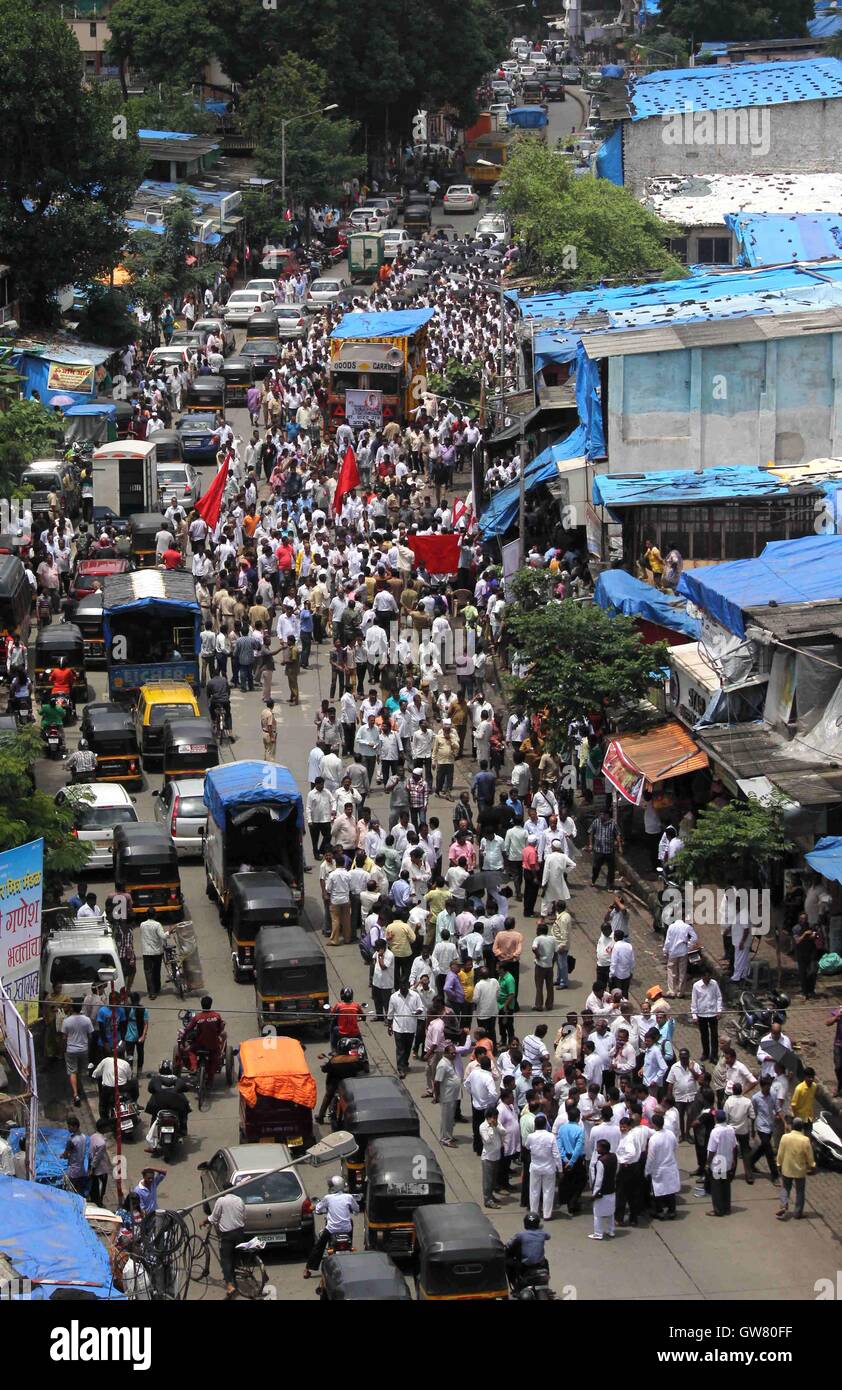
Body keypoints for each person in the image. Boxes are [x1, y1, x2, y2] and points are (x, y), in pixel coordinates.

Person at [304, 1176, 360, 1277]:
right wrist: (354, 1211)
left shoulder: (328, 1198)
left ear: (333, 1187)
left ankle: (308, 1268)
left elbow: (318, 1209)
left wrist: (315, 1209)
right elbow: (356, 1209)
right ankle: (349, 1245)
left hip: (332, 1230)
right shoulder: (348, 1197)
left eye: (330, 1185)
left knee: (319, 1246)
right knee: (350, 1222)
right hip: (346, 1229)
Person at [204, 1180, 247, 1298]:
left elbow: (214, 1217)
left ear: (224, 1191)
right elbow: (244, 1216)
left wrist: (204, 1221)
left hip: (228, 1235)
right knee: (234, 1256)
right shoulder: (239, 1200)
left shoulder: (221, 1200)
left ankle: (230, 1286)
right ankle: (233, 1277)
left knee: (225, 1260)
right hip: (240, 1232)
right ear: (232, 1189)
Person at [776, 1118, 816, 1220]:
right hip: (800, 1170)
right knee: (800, 1191)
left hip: (787, 1168)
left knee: (785, 1188)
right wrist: (812, 1165)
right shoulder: (805, 1140)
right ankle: (798, 1213)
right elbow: (810, 1156)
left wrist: (779, 1164)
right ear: (801, 1128)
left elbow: (780, 1153)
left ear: (792, 1126)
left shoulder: (785, 1137)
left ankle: (784, 1205)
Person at [386, 981, 424, 1078]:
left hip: (411, 1027)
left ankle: (405, 1064)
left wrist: (418, 1012)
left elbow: (421, 1007)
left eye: (405, 985)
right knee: (400, 1049)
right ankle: (400, 1069)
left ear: (408, 986)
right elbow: (390, 1012)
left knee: (407, 1048)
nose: (403, 987)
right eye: (401, 985)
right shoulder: (394, 997)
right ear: (399, 986)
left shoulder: (415, 995)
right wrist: (389, 1026)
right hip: (398, 1027)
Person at [505, 1212, 550, 1286]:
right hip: (541, 1265)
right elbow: (548, 1237)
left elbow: (509, 1245)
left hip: (526, 1265)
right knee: (545, 1261)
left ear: (525, 1224)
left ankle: (516, 1286)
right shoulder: (542, 1233)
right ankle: (546, 1281)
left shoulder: (520, 1235)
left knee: (509, 1264)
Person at [62, 1003, 94, 1106]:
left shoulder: (66, 1021)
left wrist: (64, 1049)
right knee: (81, 1070)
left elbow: (64, 1037)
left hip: (71, 1049)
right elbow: (90, 1035)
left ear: (71, 1008)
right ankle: (80, 1087)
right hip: (83, 1049)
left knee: (72, 1071)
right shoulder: (87, 1020)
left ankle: (75, 1094)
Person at [706, 1110, 737, 1216]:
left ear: (716, 1119)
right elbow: (734, 1146)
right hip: (727, 1160)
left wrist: (708, 1162)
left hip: (718, 1161)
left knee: (716, 1188)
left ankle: (718, 1210)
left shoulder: (715, 1132)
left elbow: (711, 1150)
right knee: (725, 1186)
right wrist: (733, 1159)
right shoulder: (731, 1130)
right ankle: (726, 1208)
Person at [691, 969, 723, 1061]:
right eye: (706, 978)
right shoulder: (696, 986)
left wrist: (719, 1010)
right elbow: (694, 1001)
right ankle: (705, 1053)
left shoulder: (714, 984)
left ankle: (714, 1055)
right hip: (702, 1014)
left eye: (709, 978)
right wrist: (694, 1015)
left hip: (713, 1013)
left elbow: (719, 997)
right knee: (704, 1035)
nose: (707, 980)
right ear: (702, 977)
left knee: (714, 1035)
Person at [589, 1137, 618, 1240]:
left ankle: (598, 1233)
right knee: (611, 1212)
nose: (597, 1149)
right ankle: (611, 1230)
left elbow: (599, 1179)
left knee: (597, 1213)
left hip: (603, 1192)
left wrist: (595, 1193)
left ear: (603, 1149)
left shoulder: (601, 1161)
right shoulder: (614, 1157)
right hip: (612, 1190)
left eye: (598, 1147)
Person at [434, 1042, 462, 1146]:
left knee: (450, 1118)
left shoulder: (450, 1061)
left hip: (452, 1095)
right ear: (446, 1053)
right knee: (446, 1118)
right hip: (446, 1096)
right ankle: (445, 1139)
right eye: (452, 1053)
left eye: (455, 1053)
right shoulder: (442, 1065)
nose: (454, 1055)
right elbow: (437, 1082)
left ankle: (449, 1136)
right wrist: (436, 1096)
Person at [479, 1105, 503, 1209]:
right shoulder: (483, 1127)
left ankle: (491, 1195)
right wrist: (492, 1128)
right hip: (488, 1157)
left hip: (496, 1156)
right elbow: (487, 1140)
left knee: (493, 1179)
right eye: (494, 1118)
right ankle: (487, 1200)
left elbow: (504, 1132)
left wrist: (496, 1126)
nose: (495, 1120)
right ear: (489, 1117)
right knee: (487, 1180)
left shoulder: (497, 1123)